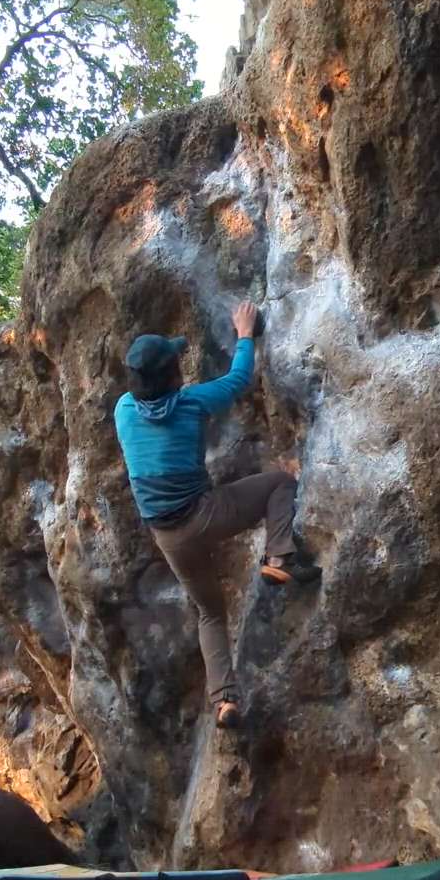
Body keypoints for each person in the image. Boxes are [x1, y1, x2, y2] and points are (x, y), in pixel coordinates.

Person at [114, 301, 321, 729]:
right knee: (280, 484)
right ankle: (279, 557)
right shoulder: (190, 402)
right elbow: (237, 380)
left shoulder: (123, 411)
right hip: (205, 513)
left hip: (167, 536)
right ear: (174, 377)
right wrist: (245, 333)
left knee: (209, 611)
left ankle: (225, 701)